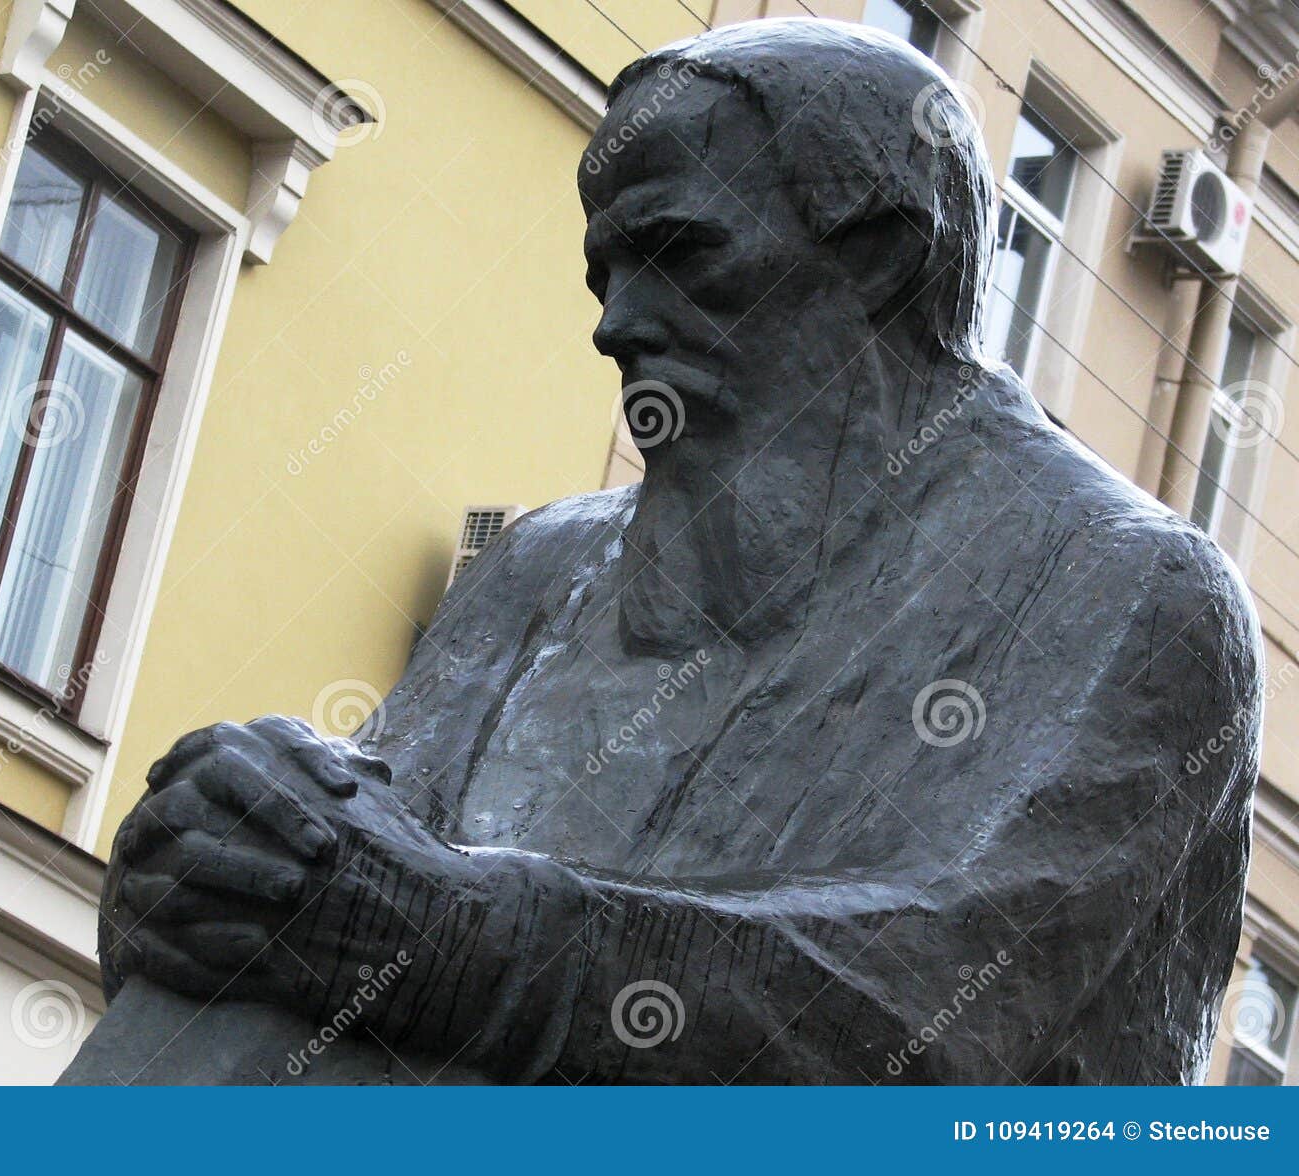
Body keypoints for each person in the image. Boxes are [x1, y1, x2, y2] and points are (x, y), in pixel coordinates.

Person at [77, 19, 1261, 1084]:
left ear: (882, 255)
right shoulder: (541, 569)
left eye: (679, 255)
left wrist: (459, 944)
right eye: (606, 272)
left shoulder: (1120, 586)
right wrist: (208, 862)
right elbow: (349, 881)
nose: (615, 323)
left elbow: (933, 1019)